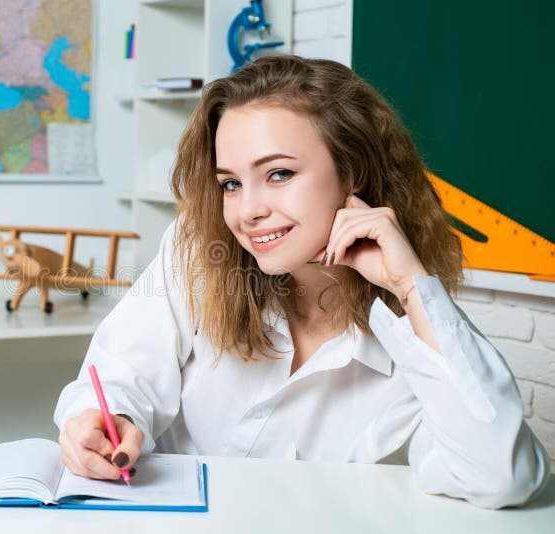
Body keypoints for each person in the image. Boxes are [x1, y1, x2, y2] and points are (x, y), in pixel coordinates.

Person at [53, 55, 550, 509]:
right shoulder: (196, 246)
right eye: (231, 183)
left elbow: (500, 476)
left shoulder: (416, 335)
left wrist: (409, 282)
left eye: (279, 174)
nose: (247, 211)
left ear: (351, 171)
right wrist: (107, 419)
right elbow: (121, 373)